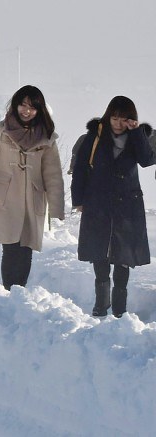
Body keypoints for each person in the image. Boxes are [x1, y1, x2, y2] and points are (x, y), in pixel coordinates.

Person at [0, 85, 65, 290]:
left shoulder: (47, 137)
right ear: (15, 105)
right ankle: (9, 290)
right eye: (22, 104)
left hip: (33, 198)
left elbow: (53, 174)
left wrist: (57, 206)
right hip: (5, 197)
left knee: (26, 248)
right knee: (11, 247)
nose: (26, 110)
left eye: (32, 106)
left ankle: (18, 291)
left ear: (39, 110)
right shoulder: (0, 130)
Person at [71, 96, 156, 318]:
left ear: (131, 119)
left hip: (128, 207)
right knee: (99, 255)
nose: (118, 123)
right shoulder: (94, 137)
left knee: (123, 258)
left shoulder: (139, 138)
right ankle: (101, 306)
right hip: (98, 203)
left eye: (123, 119)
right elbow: (80, 168)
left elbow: (147, 160)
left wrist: (137, 132)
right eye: (114, 118)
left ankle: (119, 310)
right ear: (108, 116)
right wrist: (78, 200)